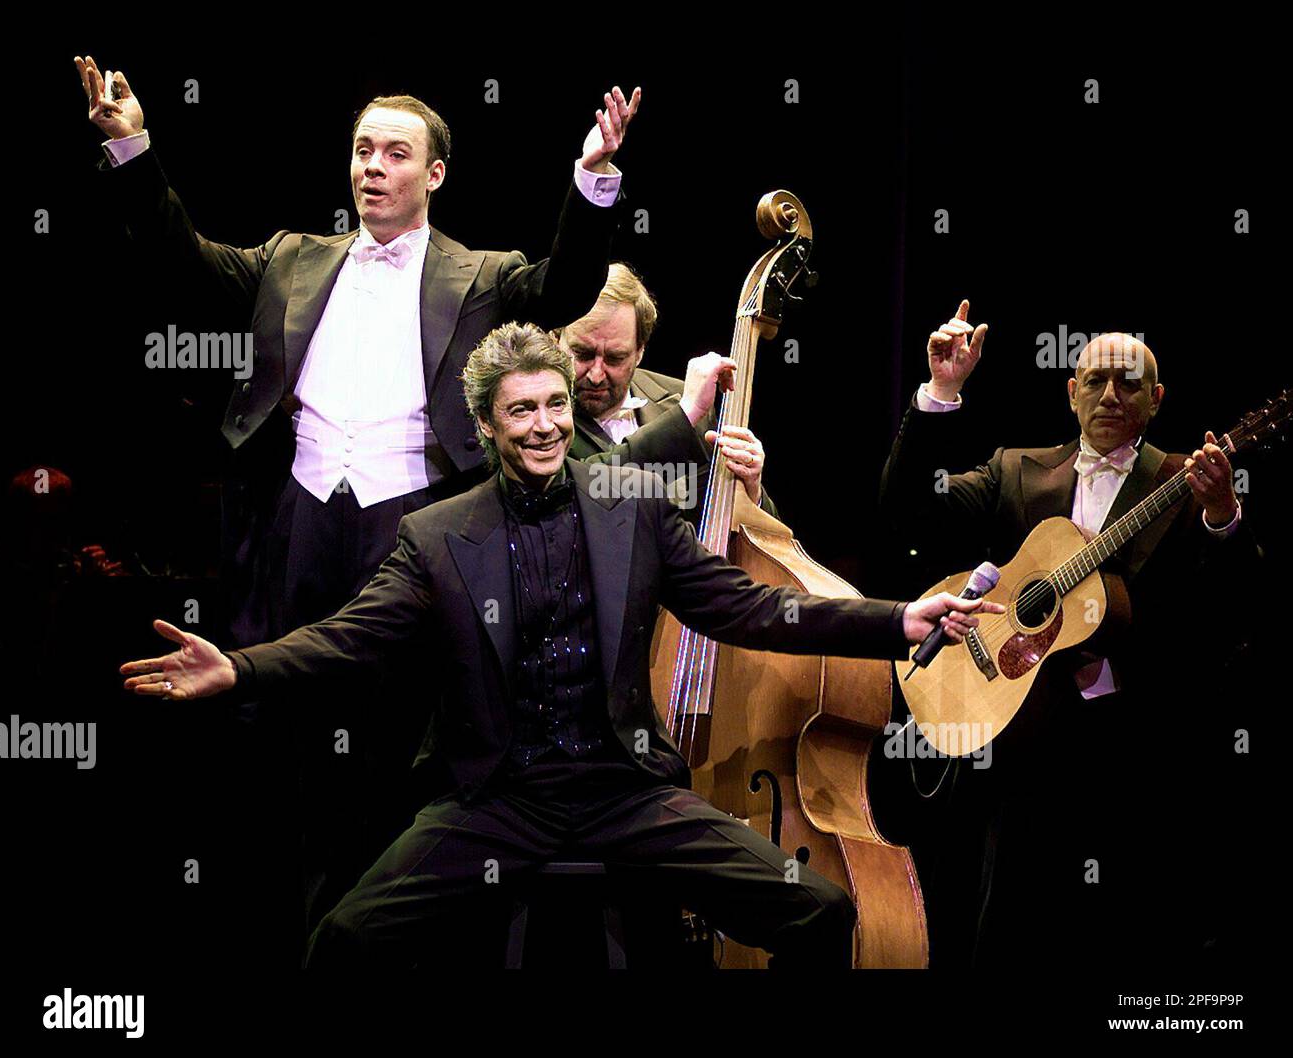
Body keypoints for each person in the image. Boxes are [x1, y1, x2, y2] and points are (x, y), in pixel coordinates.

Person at [121, 321, 998, 968]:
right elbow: (350, 640)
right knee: (345, 941)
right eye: (520, 412)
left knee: (816, 912)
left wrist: (895, 620)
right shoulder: (438, 537)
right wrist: (237, 667)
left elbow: (748, 609)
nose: (542, 426)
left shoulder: (633, 503)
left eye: (552, 405)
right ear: (488, 427)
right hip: (496, 797)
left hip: (623, 789)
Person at [75, 53, 639, 949]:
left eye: (394, 153)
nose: (372, 166)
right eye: (362, 150)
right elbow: (182, 267)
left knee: (394, 749)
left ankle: (385, 939)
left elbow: (561, 290)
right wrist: (134, 146)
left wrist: (594, 176)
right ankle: (291, 936)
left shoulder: (481, 274)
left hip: (410, 524)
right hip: (293, 520)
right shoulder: (293, 258)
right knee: (276, 737)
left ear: (434, 174)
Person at [879, 300, 1263, 969]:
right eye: (1095, 381)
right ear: (1070, 391)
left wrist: (1222, 514)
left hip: (1136, 758)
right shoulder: (1015, 469)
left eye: (1130, 383)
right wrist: (942, 392)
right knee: (1003, 937)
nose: (1111, 394)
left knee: (1123, 942)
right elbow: (905, 512)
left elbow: (1237, 612)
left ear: (1158, 398)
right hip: (1018, 746)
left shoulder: (1185, 481)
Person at [558, 263, 778, 517]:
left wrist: (751, 490)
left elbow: (756, 534)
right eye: (583, 354)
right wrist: (683, 416)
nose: (596, 375)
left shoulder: (682, 399)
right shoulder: (539, 417)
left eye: (615, 358)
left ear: (640, 351)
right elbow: (582, 491)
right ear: (556, 338)